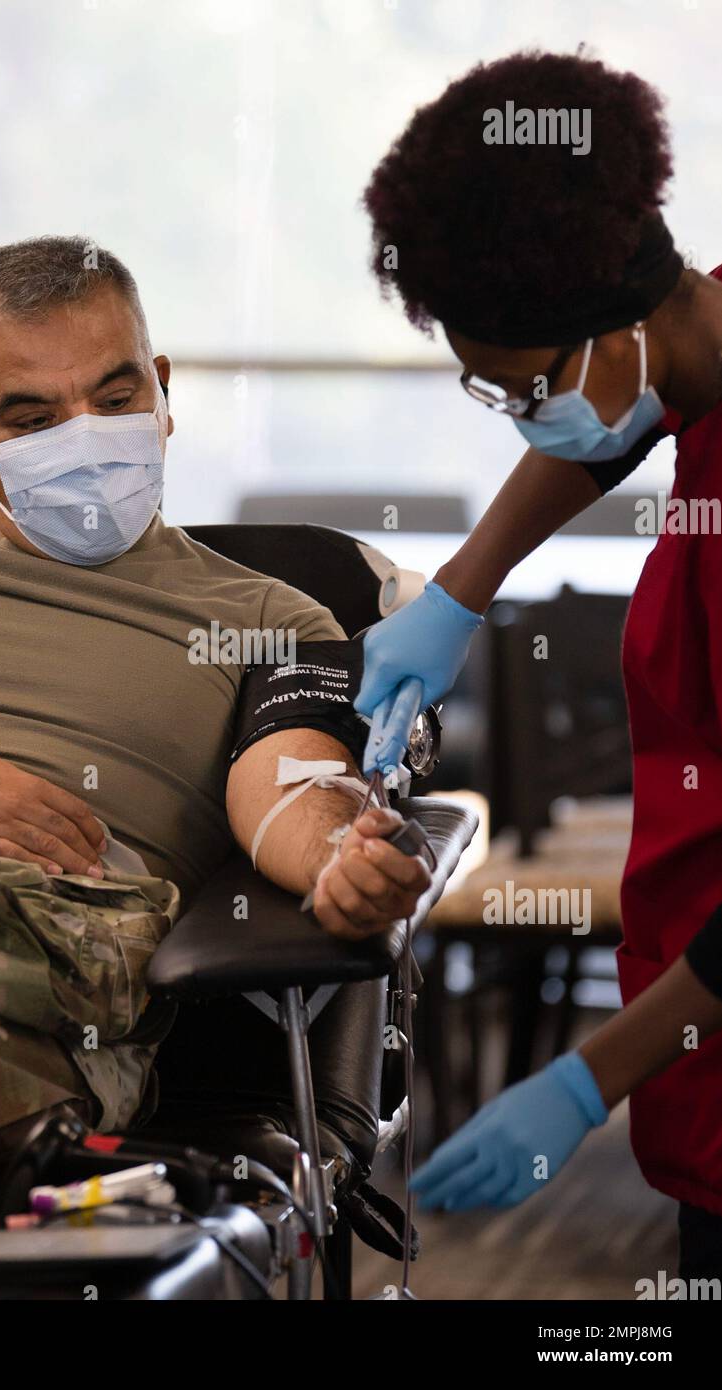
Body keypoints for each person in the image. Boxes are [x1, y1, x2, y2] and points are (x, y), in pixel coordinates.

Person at [0, 235, 431, 1243]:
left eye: (113, 400)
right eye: (31, 418)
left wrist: (341, 854)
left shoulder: (270, 614)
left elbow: (290, 785)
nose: (82, 436)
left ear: (161, 389)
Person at [354, 50, 722, 1277]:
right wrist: (461, 588)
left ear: (618, 328)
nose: (520, 419)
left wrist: (586, 1079)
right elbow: (634, 415)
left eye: (525, 388)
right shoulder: (691, 330)